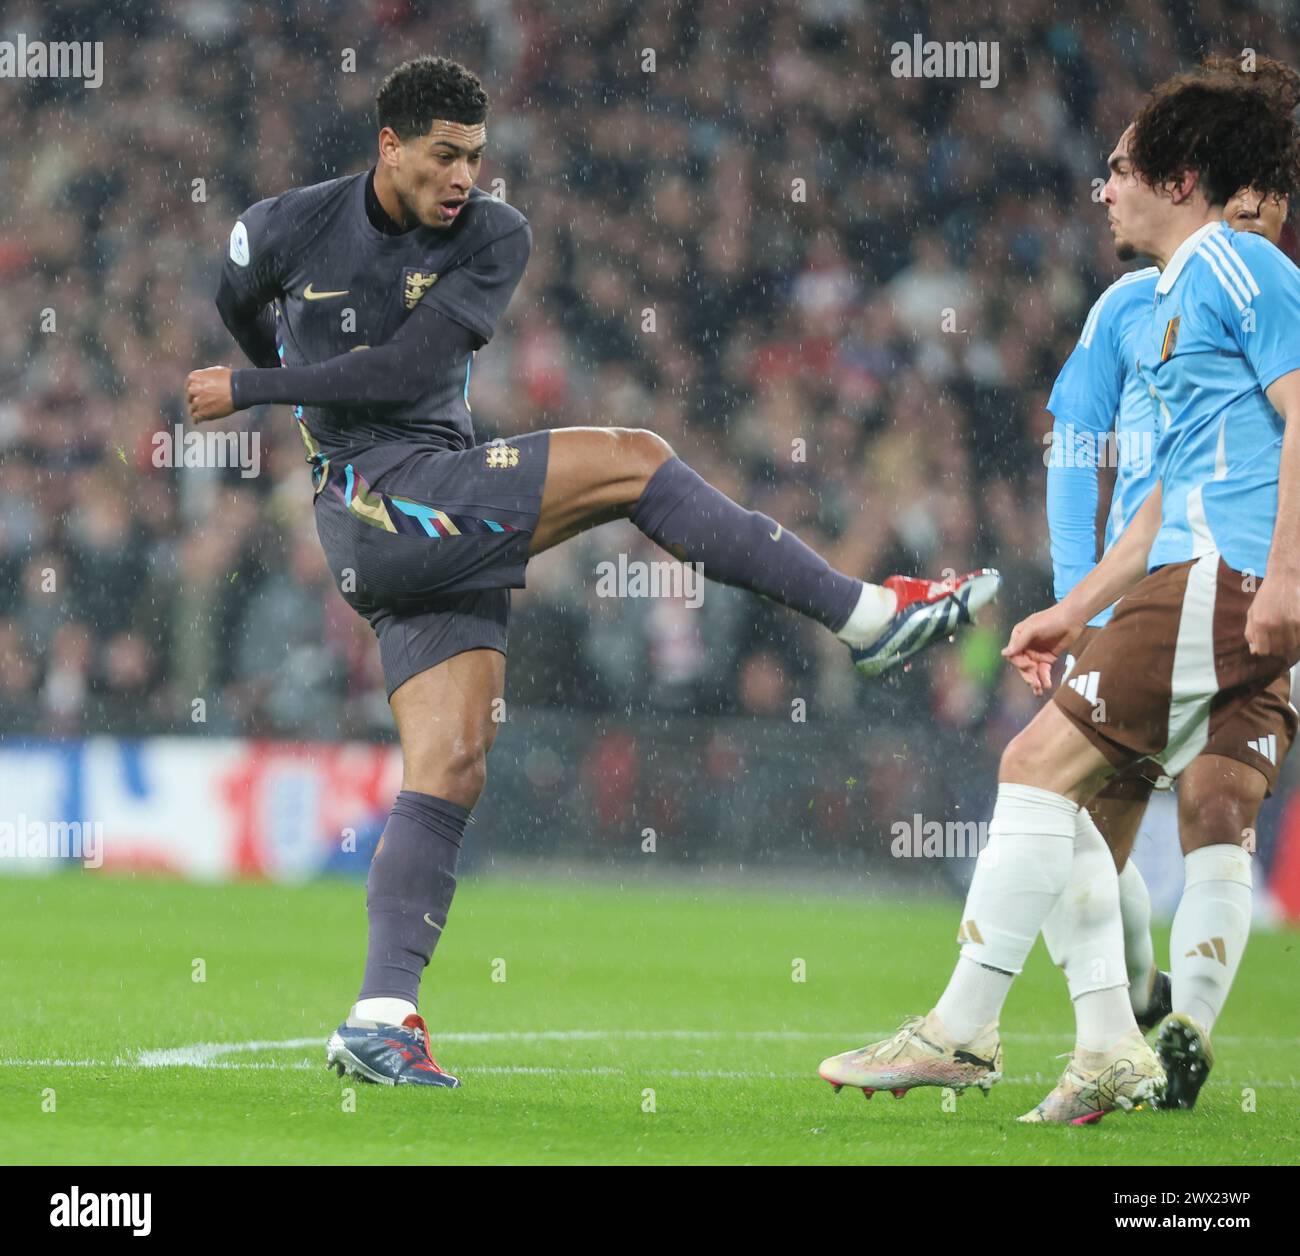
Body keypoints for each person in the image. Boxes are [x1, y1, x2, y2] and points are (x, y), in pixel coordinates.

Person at [187, 55, 999, 1088]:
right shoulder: (288, 223)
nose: (464, 177)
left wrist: (262, 386)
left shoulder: (493, 235)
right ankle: (865, 613)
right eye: (444, 155)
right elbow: (236, 295)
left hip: (430, 488)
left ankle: (379, 1013)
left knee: (450, 764)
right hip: (377, 500)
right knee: (636, 458)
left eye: (477, 156)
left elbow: (396, 369)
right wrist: (301, 408)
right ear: (388, 144)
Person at [819, 66, 1300, 1123]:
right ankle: (1108, 1044)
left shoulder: (1235, 265)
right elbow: (1156, 502)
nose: (1103, 190)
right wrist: (1073, 603)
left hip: (1223, 578)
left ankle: (963, 1029)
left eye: (1120, 170)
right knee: (1091, 797)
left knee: (1038, 767)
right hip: (1185, 570)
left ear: (1178, 179)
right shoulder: (1169, 294)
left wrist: (1286, 575)